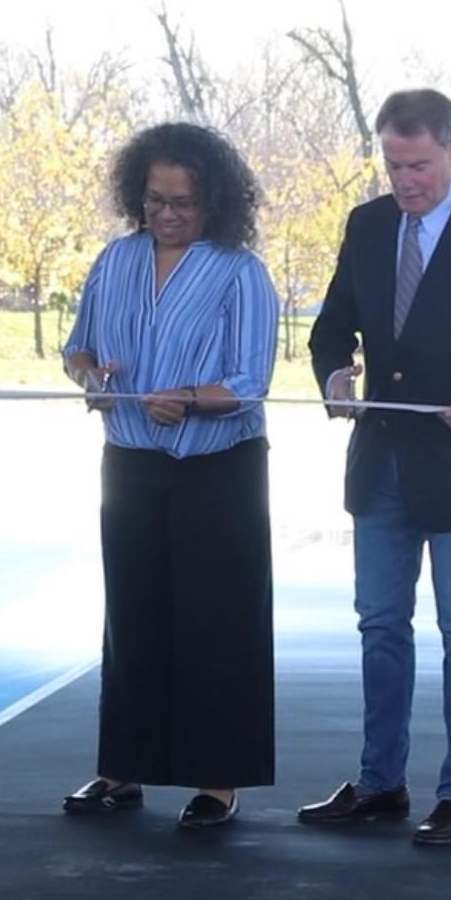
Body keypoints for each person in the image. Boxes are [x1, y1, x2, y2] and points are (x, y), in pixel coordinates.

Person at [301, 89, 451, 846]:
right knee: (380, 626)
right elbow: (331, 328)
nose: (404, 180)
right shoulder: (366, 226)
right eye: (392, 164)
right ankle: (380, 782)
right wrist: (337, 377)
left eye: (418, 165)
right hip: (379, 465)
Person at [59, 122, 279, 829]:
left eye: (183, 201)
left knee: (218, 623)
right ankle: (120, 770)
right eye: (155, 200)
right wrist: (91, 375)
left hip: (219, 471)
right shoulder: (114, 261)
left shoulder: (241, 271)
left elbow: (250, 381)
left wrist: (186, 398)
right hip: (129, 464)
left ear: (213, 201)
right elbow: (78, 348)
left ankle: (218, 781)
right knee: (131, 618)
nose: (168, 214)